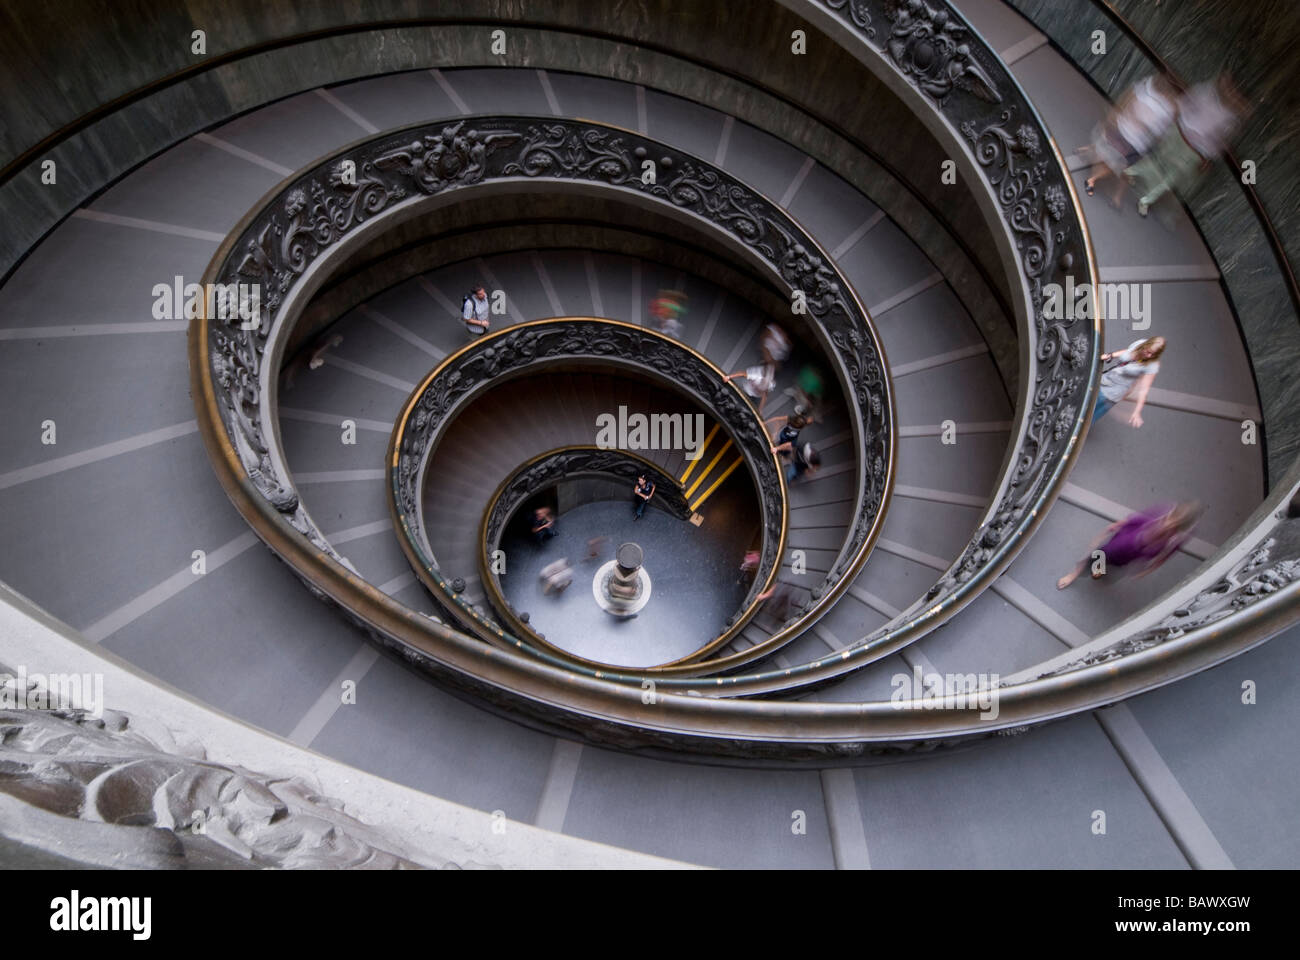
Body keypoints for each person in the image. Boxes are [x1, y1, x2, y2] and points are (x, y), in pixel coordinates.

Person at [1125, 74, 1248, 217]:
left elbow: (1220, 142)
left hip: (1195, 150)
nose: (1230, 93)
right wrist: (1173, 120)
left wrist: (1206, 157)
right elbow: (1185, 102)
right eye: (1230, 89)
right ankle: (1132, 171)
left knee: (1170, 179)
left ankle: (1146, 200)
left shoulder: (1231, 120)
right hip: (1179, 131)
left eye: (1234, 93)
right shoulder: (1206, 91)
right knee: (1155, 157)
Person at [1078, 74, 1176, 206]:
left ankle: (1099, 180)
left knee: (1115, 161)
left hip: (1133, 140)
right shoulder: (1151, 92)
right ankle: (1092, 179)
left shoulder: (1165, 105)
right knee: (1113, 160)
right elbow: (1129, 99)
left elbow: (1158, 133)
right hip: (1126, 134)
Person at [1057, 501, 1202, 590]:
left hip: (1130, 558)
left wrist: (1148, 570)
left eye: (1173, 527)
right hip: (1122, 544)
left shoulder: (1176, 540)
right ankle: (1075, 574)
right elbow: (1130, 520)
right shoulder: (1158, 514)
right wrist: (1107, 532)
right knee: (1099, 557)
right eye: (1168, 519)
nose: (1166, 525)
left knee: (1111, 568)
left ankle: (1097, 571)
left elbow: (1165, 556)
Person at [1093, 336, 1164, 427]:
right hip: (1108, 378)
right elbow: (1128, 352)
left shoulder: (1152, 366)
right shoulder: (1140, 344)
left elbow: (1143, 391)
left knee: (1090, 409)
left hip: (1113, 391)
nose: (1149, 356)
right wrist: (1111, 355)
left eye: (1153, 354)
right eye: (1148, 352)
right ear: (1146, 345)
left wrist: (1137, 412)